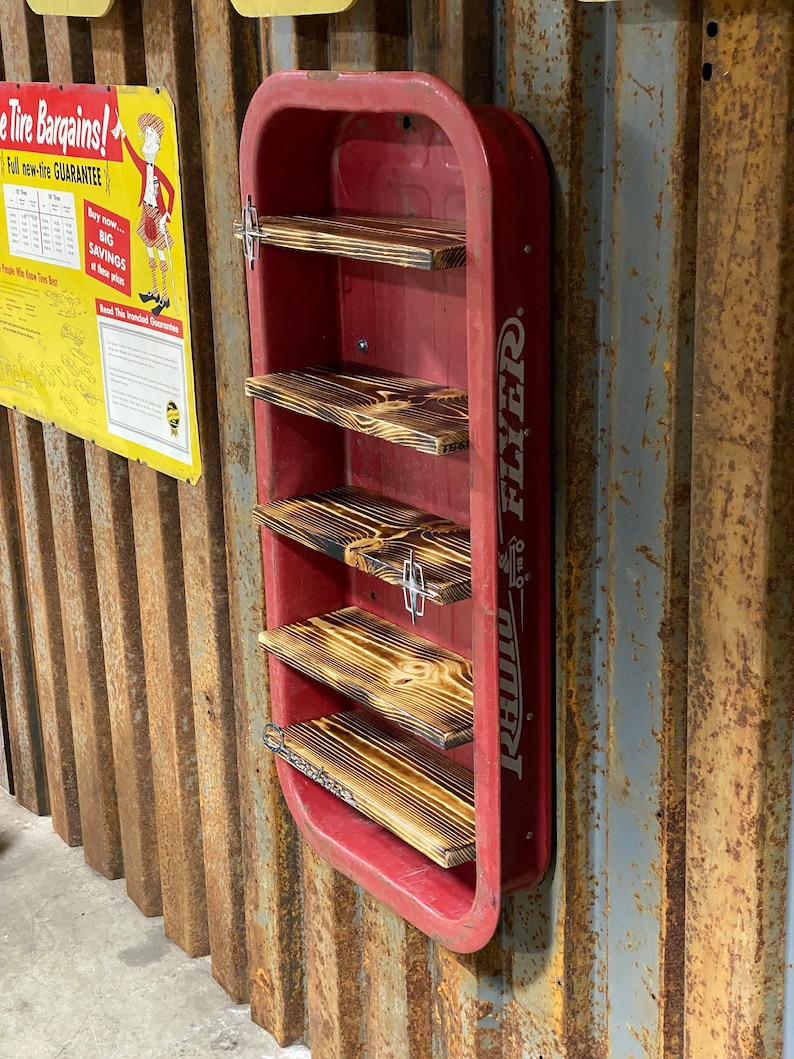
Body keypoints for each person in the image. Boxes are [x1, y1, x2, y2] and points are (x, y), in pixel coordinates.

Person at [112, 110, 175, 316]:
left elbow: (171, 190)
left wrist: (167, 214)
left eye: (149, 135)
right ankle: (155, 291)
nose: (146, 138)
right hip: (146, 212)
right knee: (149, 252)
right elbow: (131, 154)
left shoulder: (157, 171)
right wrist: (123, 133)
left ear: (157, 143)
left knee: (161, 255)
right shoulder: (143, 166)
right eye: (145, 134)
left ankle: (165, 297)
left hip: (157, 214)